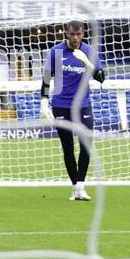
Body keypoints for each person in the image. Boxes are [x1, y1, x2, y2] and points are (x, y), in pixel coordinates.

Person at [41, 19, 104, 201]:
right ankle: (76, 188)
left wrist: (88, 64)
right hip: (61, 105)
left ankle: (81, 186)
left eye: (79, 34)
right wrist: (44, 101)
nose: (76, 38)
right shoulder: (56, 52)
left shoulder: (89, 52)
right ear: (65, 34)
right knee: (67, 148)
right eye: (72, 34)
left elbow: (102, 78)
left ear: (83, 34)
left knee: (86, 145)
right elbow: (46, 77)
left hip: (83, 105)